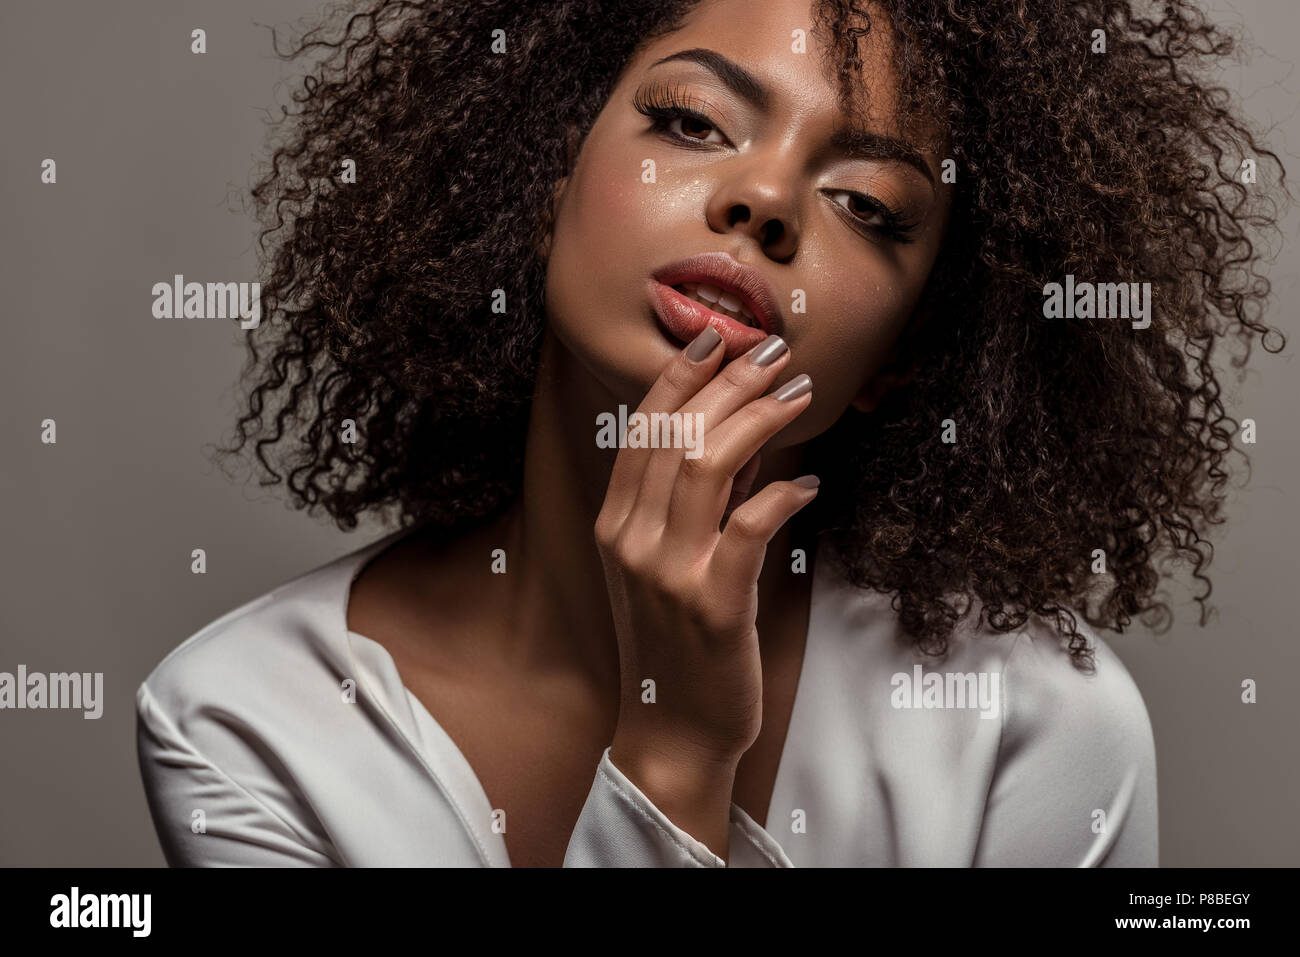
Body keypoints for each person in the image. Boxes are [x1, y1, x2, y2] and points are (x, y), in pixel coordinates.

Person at [136, 0, 1285, 867]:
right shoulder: (247, 719)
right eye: (690, 123)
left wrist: (679, 742)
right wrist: (672, 751)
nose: (764, 200)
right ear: (543, 180)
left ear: (902, 359)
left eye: (868, 207)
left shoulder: (1031, 724)